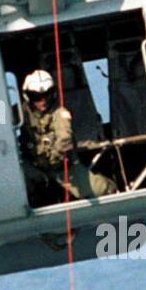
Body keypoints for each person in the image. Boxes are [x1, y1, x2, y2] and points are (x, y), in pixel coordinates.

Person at [18, 69, 116, 204]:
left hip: (63, 169)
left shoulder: (60, 113)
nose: (43, 101)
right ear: (28, 96)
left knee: (103, 190)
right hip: (33, 167)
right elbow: (0, 122)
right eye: (37, 97)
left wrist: (57, 153)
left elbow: (65, 136)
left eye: (47, 95)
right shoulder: (20, 112)